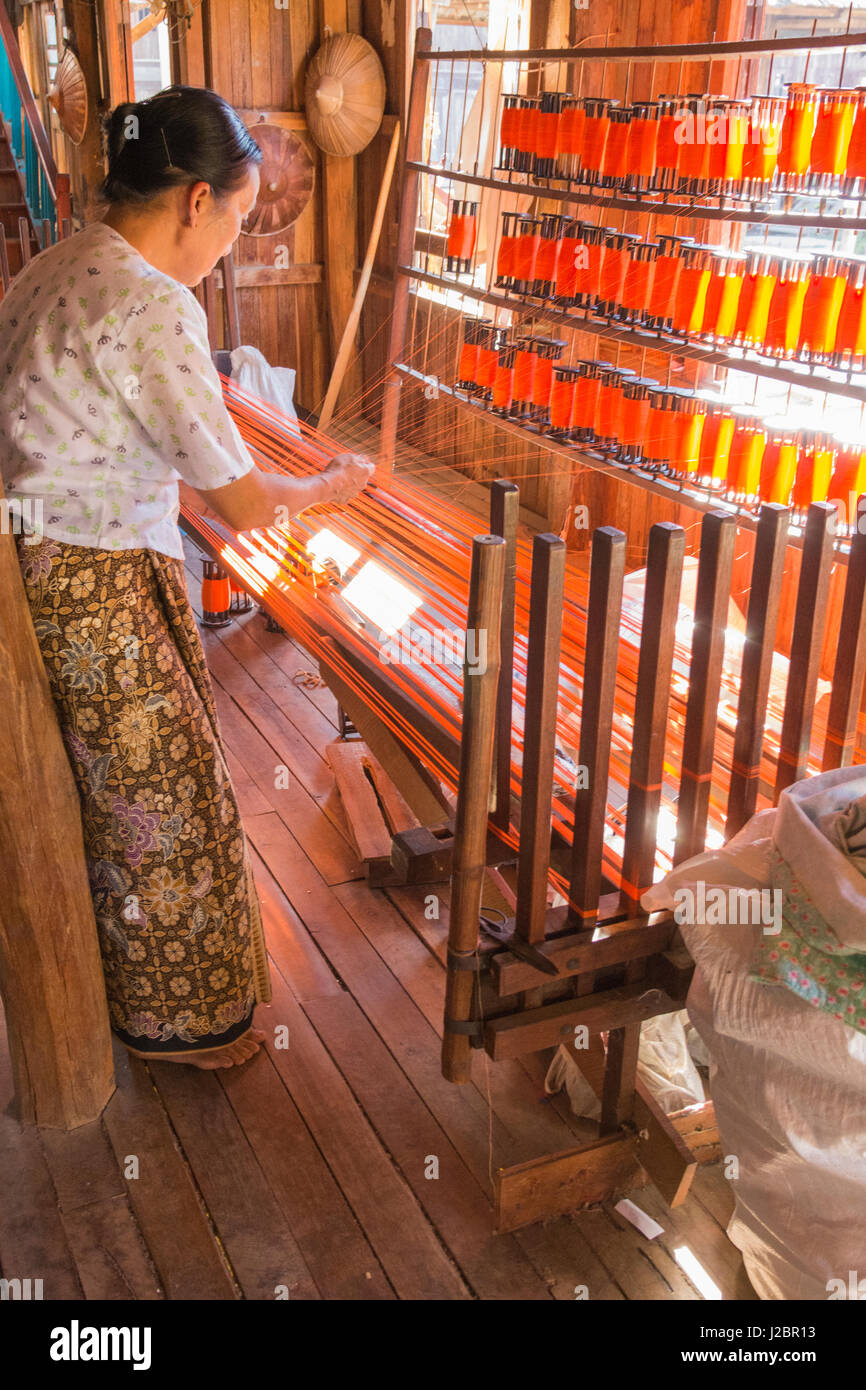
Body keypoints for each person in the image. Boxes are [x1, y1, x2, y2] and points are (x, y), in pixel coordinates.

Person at [0, 85, 374, 1069]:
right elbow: (240, 504)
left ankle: (131, 1001)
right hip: (96, 586)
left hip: (41, 567)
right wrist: (328, 484)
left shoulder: (57, 265)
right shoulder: (151, 303)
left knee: (123, 793)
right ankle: (176, 1029)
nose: (232, 244)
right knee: (162, 806)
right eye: (239, 220)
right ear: (196, 200)